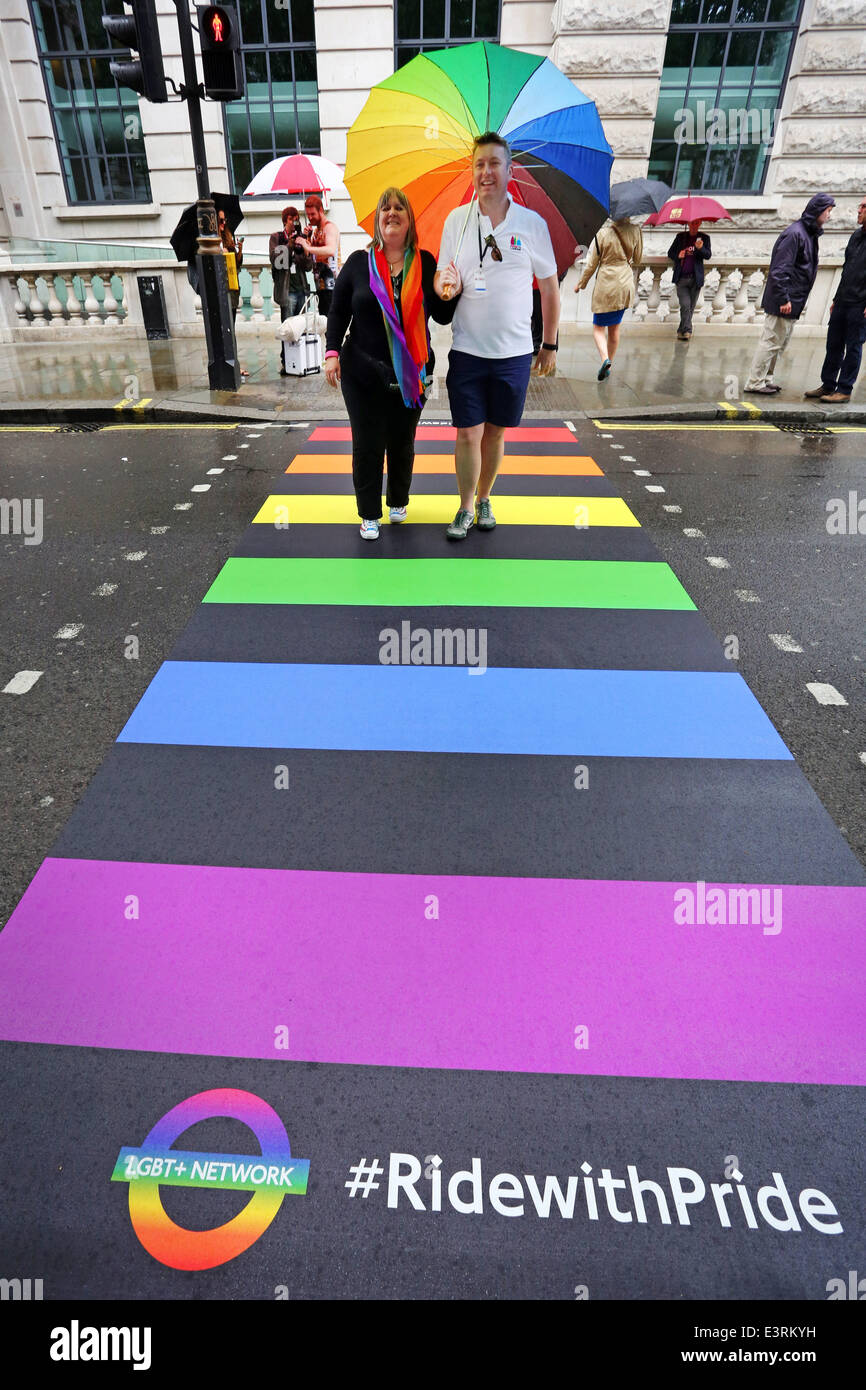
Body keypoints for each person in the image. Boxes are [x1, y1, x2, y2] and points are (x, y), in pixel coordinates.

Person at [435, 132, 559, 541]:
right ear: (472, 172)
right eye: (479, 164)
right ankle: (466, 506)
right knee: (468, 431)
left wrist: (550, 344)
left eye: (494, 163)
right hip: (468, 349)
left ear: (509, 170)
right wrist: (444, 284)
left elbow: (550, 286)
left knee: (495, 432)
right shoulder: (458, 220)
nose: (486, 172)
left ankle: (485, 496)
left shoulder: (531, 225)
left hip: (514, 353)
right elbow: (442, 279)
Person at [324, 187, 456, 541]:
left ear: (410, 219)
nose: (392, 213)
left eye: (400, 208)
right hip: (361, 372)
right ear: (378, 220)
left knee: (402, 439)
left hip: (414, 372)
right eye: (386, 208)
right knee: (367, 442)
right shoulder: (357, 263)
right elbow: (338, 312)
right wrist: (331, 353)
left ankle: (398, 498)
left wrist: (449, 291)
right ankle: (369, 513)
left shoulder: (426, 263)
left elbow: (441, 317)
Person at [744, 193, 835, 395]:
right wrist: (784, 298)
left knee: (778, 343)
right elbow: (779, 270)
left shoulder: (807, 233)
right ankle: (754, 381)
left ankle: (766, 378)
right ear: (818, 211)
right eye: (828, 211)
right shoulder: (796, 234)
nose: (829, 215)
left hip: (793, 300)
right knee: (770, 341)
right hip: (785, 300)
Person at [804, 196, 866, 403]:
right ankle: (828, 384)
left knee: (853, 347)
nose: (859, 210)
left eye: (864, 207)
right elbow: (847, 269)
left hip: (860, 304)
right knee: (834, 344)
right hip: (843, 300)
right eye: (860, 206)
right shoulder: (856, 236)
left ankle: (845, 389)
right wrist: (836, 298)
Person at [575, 216, 642, 379]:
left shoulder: (602, 234)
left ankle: (605, 359)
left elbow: (592, 264)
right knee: (615, 328)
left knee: (598, 328)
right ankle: (609, 363)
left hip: (606, 285)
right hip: (624, 284)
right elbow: (638, 259)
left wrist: (581, 284)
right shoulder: (636, 231)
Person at [269, 205, 314, 376]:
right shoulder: (276, 237)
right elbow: (277, 261)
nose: (294, 222)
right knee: (287, 328)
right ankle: (287, 363)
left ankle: (302, 360)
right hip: (287, 291)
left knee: (302, 327)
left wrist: (306, 246)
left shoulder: (301, 239)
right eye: (291, 219)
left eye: (297, 219)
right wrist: (289, 244)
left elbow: (308, 267)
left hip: (301, 289)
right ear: (285, 220)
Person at [667, 219, 712, 340]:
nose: (694, 225)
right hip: (681, 278)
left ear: (700, 224)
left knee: (690, 307)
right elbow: (670, 253)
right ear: (688, 223)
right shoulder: (681, 237)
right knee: (685, 305)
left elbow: (708, 255)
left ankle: (681, 330)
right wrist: (678, 255)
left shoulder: (704, 238)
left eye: (697, 223)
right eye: (692, 223)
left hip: (696, 279)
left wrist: (701, 248)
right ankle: (687, 330)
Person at [297, 194, 340, 317]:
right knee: (324, 323)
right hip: (320, 286)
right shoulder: (316, 231)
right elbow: (311, 255)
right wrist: (307, 239)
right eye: (308, 214)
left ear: (321, 210)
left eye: (312, 214)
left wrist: (308, 247)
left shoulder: (329, 228)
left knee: (330, 325)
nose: (310, 218)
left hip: (332, 285)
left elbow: (330, 250)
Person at [218, 208, 248, 376]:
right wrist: (218, 254)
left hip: (232, 291)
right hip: (220, 293)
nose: (223, 224)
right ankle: (226, 365)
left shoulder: (228, 239)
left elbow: (236, 266)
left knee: (231, 329)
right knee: (223, 330)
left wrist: (239, 251)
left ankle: (234, 364)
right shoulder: (211, 243)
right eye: (220, 221)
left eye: (224, 221)